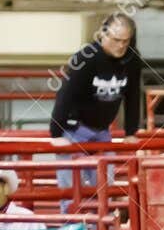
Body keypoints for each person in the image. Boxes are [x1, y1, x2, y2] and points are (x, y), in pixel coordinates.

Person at [50, 13, 143, 213]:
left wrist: (131, 132)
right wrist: (57, 133)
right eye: (116, 40)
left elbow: (133, 95)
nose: (120, 46)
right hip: (73, 129)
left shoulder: (132, 60)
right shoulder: (86, 57)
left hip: (102, 131)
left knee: (104, 190)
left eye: (125, 41)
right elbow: (65, 94)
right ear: (103, 35)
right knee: (71, 192)